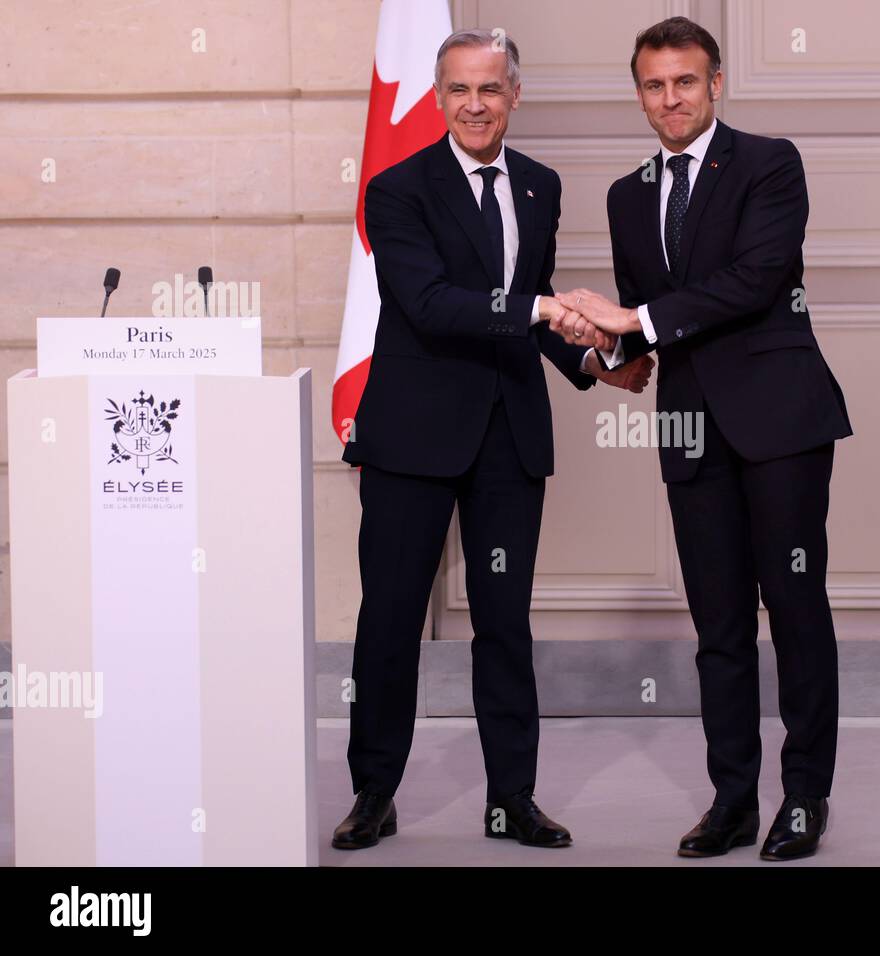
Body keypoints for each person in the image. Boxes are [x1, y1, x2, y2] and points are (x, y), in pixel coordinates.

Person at [333, 28, 653, 851]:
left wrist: (590, 363)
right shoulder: (395, 189)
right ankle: (374, 791)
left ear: (516, 95)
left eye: (490, 89)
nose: (475, 105)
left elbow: (527, 299)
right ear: (438, 98)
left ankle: (511, 796)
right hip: (411, 439)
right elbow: (433, 303)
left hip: (508, 439)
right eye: (459, 90)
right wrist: (545, 311)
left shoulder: (541, 186)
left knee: (505, 622)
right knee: (391, 619)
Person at [553, 16, 852, 861]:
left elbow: (757, 280)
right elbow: (642, 321)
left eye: (686, 81)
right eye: (654, 84)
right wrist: (607, 348)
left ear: (715, 83)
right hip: (690, 427)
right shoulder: (625, 193)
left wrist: (635, 319)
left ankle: (804, 798)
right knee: (717, 625)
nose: (671, 98)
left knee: (794, 610)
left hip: (782, 421)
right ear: (640, 93)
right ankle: (731, 800)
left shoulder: (769, 162)